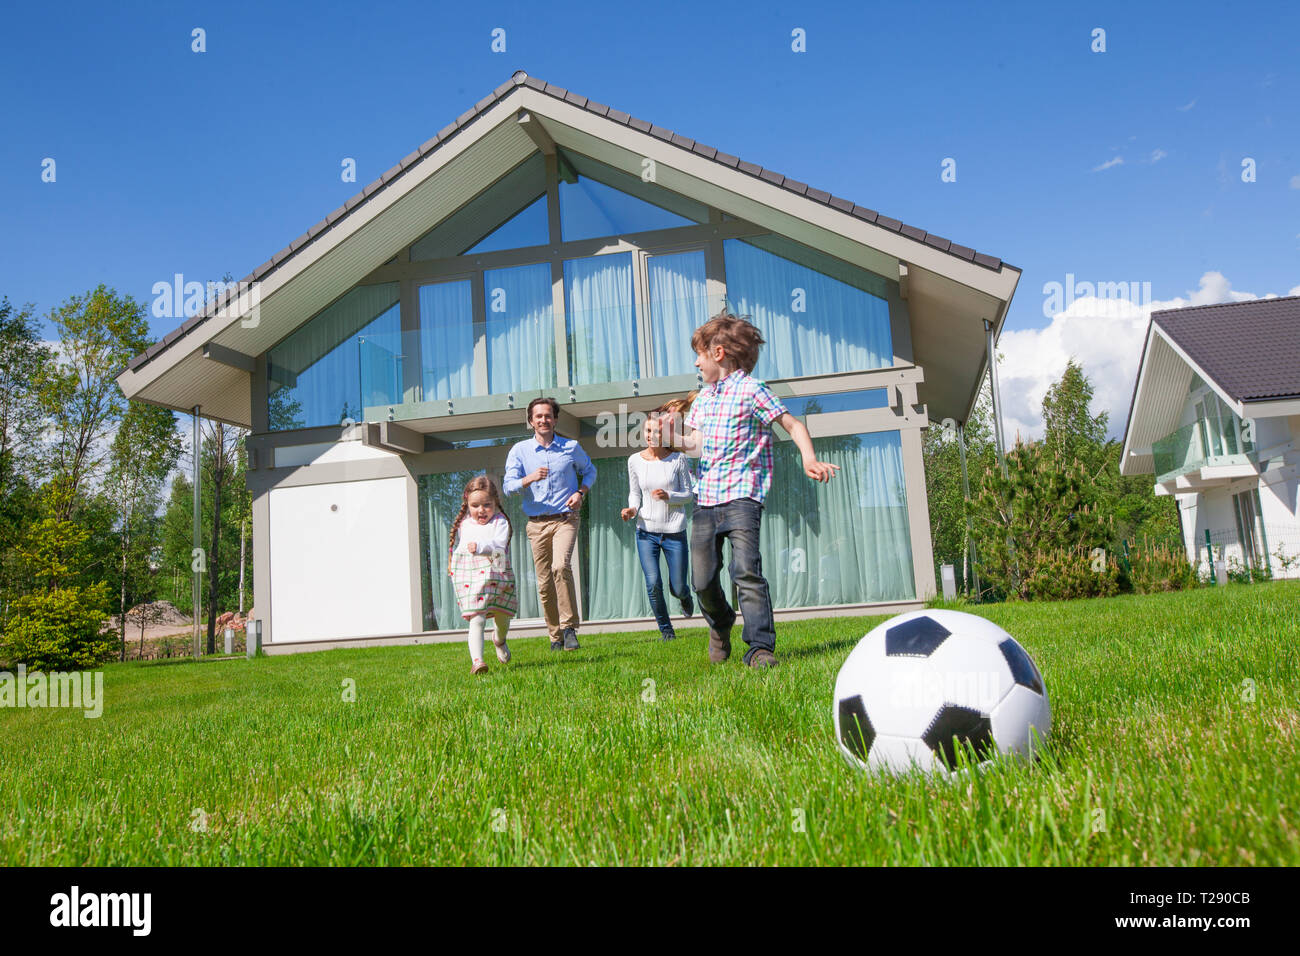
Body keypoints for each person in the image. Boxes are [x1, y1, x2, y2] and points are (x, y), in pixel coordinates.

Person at [648, 311, 840, 668]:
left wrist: (808, 458)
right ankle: (721, 621)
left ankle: (759, 647)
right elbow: (698, 446)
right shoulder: (703, 398)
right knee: (702, 580)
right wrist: (672, 438)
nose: (696, 362)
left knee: (746, 571)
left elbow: (792, 424)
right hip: (706, 499)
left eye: (699, 355)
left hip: (743, 497)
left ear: (718, 353)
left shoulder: (753, 390)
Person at [503, 397, 596, 652]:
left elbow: (590, 470)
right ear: (530, 421)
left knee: (560, 567)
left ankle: (569, 629)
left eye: (548, 415)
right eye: (538, 416)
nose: (543, 420)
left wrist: (580, 492)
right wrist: (528, 478)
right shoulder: (520, 451)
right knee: (544, 583)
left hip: (565, 518)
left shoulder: (570, 447)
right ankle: (554, 636)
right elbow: (508, 486)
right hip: (536, 525)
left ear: (555, 419)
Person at [620, 399, 698, 641]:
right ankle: (667, 632)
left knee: (677, 586)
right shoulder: (634, 460)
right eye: (647, 431)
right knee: (653, 583)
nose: (651, 435)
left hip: (675, 533)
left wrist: (669, 496)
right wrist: (632, 509)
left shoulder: (678, 460)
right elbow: (635, 493)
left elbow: (689, 494)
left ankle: (685, 596)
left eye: (656, 431)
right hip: (646, 532)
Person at [447, 474, 517, 675]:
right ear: (468, 504)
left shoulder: (500, 522)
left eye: (486, 505)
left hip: (497, 572)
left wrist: (480, 547)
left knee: (502, 618)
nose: (481, 510)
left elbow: (499, 546)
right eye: (475, 505)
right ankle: (477, 661)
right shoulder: (465, 524)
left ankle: (499, 639)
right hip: (473, 577)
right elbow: (460, 552)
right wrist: (454, 568)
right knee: (477, 618)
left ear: (495, 502)